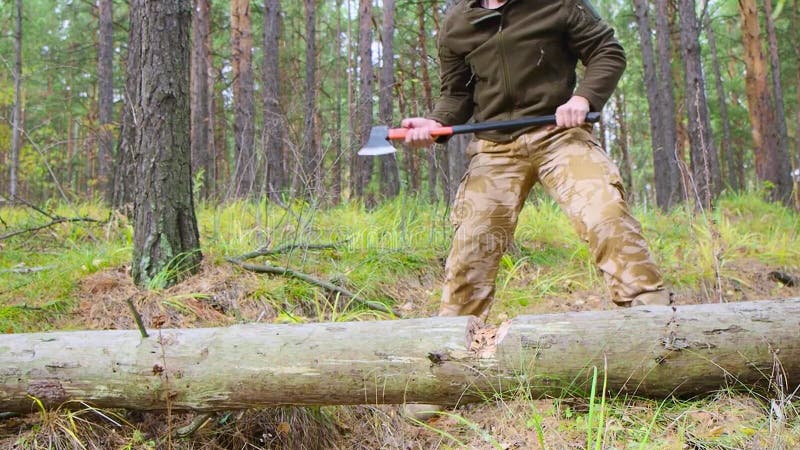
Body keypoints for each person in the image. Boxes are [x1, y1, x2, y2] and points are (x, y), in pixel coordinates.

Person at [401, 0, 670, 420]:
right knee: (472, 247)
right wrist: (433, 123)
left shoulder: (558, 4)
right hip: (494, 149)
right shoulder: (457, 22)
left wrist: (583, 96)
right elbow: (456, 94)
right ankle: (447, 371)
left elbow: (607, 52)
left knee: (604, 212)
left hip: (558, 135)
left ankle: (660, 339)